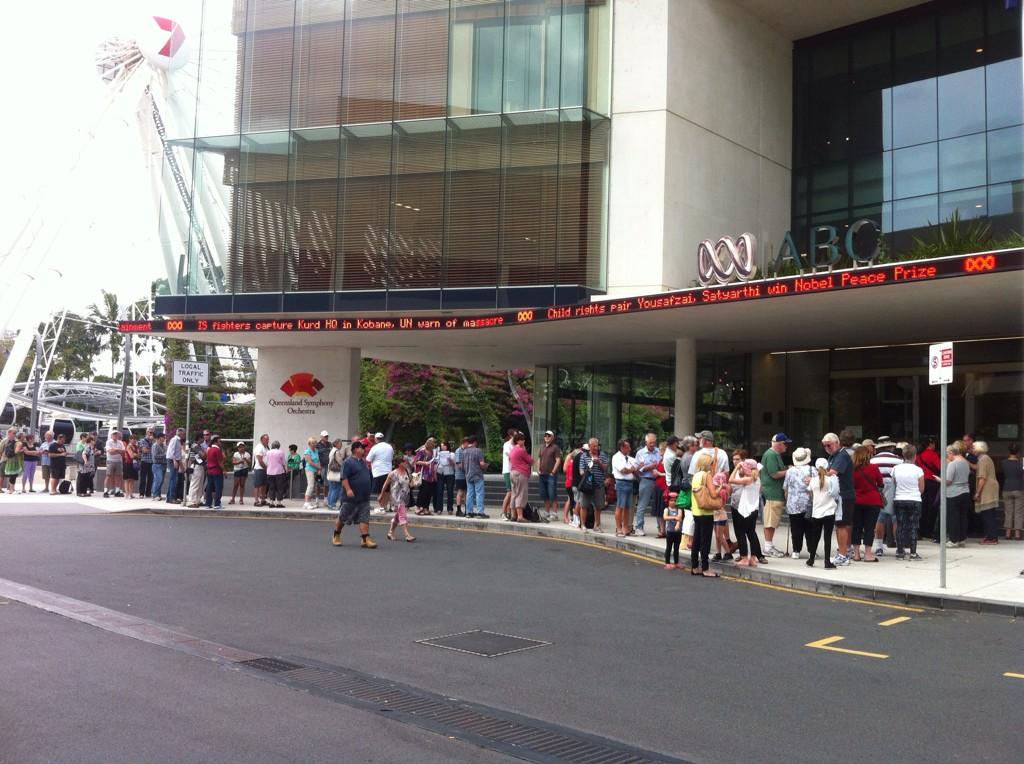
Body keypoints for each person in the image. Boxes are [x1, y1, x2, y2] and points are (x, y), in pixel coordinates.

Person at [331, 440, 377, 549]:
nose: (364, 449)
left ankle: (365, 538)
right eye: (362, 448)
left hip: (363, 497)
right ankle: (336, 534)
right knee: (343, 517)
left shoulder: (363, 462)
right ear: (356, 449)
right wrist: (348, 489)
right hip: (351, 497)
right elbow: (344, 477)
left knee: (364, 518)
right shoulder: (348, 462)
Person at [822, 432, 854, 566]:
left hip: (843, 495)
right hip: (839, 495)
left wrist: (818, 474)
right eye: (824, 446)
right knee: (840, 524)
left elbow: (832, 473)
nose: (827, 448)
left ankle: (843, 555)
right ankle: (843, 552)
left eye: (829, 445)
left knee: (841, 525)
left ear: (837, 443)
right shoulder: (834, 456)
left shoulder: (841, 455)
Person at [691, 453, 724, 576]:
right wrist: (720, 487)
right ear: (707, 464)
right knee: (705, 541)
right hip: (706, 511)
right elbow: (713, 494)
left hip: (696, 511)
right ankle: (705, 569)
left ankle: (695, 566)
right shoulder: (707, 475)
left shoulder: (696, 475)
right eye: (711, 463)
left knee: (696, 540)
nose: (713, 465)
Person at [891, 444, 925, 560]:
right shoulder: (918, 470)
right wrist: (916, 493)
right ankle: (913, 553)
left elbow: (895, 483)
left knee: (900, 525)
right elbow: (921, 488)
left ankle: (900, 551)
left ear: (903, 455)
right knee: (913, 526)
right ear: (915, 456)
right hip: (914, 499)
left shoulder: (896, 468)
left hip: (899, 498)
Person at [870, 438, 902, 555]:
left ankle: (879, 547)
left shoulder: (873, 460)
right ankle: (899, 547)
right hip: (894, 490)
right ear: (890, 447)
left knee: (880, 519)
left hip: (879, 490)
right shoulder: (899, 460)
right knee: (896, 519)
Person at [851, 445, 884, 562]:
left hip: (856, 500)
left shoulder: (851, 469)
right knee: (869, 527)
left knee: (856, 527)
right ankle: (868, 554)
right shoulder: (874, 468)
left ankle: (856, 554)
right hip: (872, 501)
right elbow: (881, 483)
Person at [760, 433, 790, 558]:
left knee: (772, 521)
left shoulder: (773, 454)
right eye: (785, 444)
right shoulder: (771, 455)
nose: (787, 446)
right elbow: (774, 474)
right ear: (779, 444)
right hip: (772, 493)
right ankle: (768, 547)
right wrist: (789, 471)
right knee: (770, 521)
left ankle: (769, 546)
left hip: (774, 493)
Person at [805, 458, 839, 569]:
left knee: (815, 537)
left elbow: (810, 494)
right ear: (827, 467)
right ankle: (827, 561)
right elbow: (836, 494)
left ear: (816, 468)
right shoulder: (831, 480)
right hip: (829, 511)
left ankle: (811, 559)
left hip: (817, 512)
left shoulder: (813, 481)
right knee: (827, 538)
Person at [728, 457, 761, 568]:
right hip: (754, 509)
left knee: (740, 532)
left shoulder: (748, 479)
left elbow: (731, 480)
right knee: (751, 533)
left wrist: (736, 468)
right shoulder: (757, 479)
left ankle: (744, 557)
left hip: (744, 509)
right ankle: (753, 558)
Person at [783, 446, 814, 559]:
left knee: (796, 528)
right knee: (810, 528)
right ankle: (811, 550)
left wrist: (787, 500)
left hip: (793, 503)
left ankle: (796, 550)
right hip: (809, 503)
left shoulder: (790, 471)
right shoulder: (812, 470)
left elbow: (785, 488)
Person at [633, 432, 661, 537]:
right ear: (646, 442)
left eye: (654, 442)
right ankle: (639, 527)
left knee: (659, 504)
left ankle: (661, 528)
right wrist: (650, 467)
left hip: (658, 480)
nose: (653, 445)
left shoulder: (659, 451)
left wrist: (657, 466)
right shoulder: (640, 453)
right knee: (642, 505)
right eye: (650, 443)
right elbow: (637, 470)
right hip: (646, 480)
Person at [578, 438, 608, 533]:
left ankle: (597, 525)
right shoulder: (584, 456)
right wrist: (588, 469)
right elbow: (581, 470)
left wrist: (599, 462)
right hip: (587, 484)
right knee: (584, 505)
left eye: (597, 446)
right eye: (594, 446)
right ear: (589, 446)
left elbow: (605, 469)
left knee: (598, 506)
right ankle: (583, 525)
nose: (596, 448)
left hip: (599, 484)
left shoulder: (602, 455)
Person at [382, 457, 415, 542]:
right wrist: (381, 495)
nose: (406, 463)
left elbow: (410, 484)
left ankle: (390, 532)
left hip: (405, 497)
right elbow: (385, 485)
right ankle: (407, 535)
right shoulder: (393, 473)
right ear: (399, 463)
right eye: (404, 461)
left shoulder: (407, 471)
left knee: (398, 516)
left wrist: (415, 482)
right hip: (396, 498)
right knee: (402, 515)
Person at [973, 441, 1000, 545]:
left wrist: (977, 493)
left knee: (987, 514)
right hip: (990, 487)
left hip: (987, 489)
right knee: (989, 514)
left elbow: (982, 478)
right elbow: (977, 468)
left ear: (979, 449)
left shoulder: (983, 459)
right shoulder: (984, 458)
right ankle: (991, 536)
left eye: (974, 448)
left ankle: (991, 538)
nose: (972, 450)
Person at [916, 436, 942, 540]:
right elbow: (940, 467)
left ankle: (921, 530)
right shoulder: (934, 455)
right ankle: (929, 531)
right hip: (932, 482)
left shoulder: (919, 456)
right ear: (931, 444)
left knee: (922, 507)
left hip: (921, 481)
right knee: (932, 507)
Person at [945, 444, 971, 547]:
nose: (947, 456)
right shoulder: (965, 463)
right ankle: (962, 539)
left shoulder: (952, 464)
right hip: (965, 491)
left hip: (954, 493)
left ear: (951, 453)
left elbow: (948, 480)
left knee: (953, 517)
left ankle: (953, 539)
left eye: (947, 454)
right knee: (963, 516)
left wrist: (940, 480)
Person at [611, 439, 638, 537]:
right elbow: (623, 470)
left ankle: (625, 528)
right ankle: (618, 528)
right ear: (622, 448)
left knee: (627, 507)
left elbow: (637, 467)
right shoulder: (616, 457)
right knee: (620, 506)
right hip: (621, 483)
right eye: (627, 447)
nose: (630, 449)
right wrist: (632, 469)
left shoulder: (629, 458)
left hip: (630, 483)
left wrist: (632, 469)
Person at [366, 433, 395, 515]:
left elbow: (368, 459)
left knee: (380, 490)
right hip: (388, 471)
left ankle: (382, 508)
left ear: (376, 439)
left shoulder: (375, 447)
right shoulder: (389, 447)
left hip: (378, 471)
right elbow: (392, 457)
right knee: (387, 490)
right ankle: (386, 506)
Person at [537, 430, 562, 522]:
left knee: (552, 494)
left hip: (551, 475)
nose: (547, 437)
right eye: (546, 436)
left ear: (552, 437)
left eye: (549, 436)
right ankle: (547, 512)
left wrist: (553, 471)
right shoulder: (542, 447)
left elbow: (558, 460)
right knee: (544, 494)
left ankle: (554, 513)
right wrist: (538, 469)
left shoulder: (555, 447)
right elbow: (539, 459)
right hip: (542, 474)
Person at [461, 435, 488, 518]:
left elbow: (462, 465)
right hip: (477, 475)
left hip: (468, 475)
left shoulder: (464, 451)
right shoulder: (478, 451)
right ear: (475, 442)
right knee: (479, 493)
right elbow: (481, 464)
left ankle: (469, 512)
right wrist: (486, 465)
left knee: (469, 494)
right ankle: (480, 512)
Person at [508, 432, 532, 522]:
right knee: (521, 494)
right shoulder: (521, 450)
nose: (524, 441)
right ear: (518, 441)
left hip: (513, 473)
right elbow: (530, 461)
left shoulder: (513, 450)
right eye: (522, 440)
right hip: (521, 473)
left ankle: (513, 515)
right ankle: (520, 516)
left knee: (514, 494)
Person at [1003, 443, 1023, 541]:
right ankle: (1017, 534)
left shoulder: (1004, 462)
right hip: (1019, 487)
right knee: (1018, 512)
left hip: (1007, 487)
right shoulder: (1022, 462)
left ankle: (1008, 533)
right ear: (1018, 452)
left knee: (1008, 511)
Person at [563, 442, 582, 526]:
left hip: (573, 481)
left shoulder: (578, 457)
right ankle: (570, 517)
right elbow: (564, 469)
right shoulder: (570, 457)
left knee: (571, 500)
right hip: (571, 481)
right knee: (572, 500)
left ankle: (569, 517)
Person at [435, 439, 456, 515]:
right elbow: (436, 463)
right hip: (440, 473)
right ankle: (439, 508)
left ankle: (450, 508)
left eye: (443, 445)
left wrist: (449, 460)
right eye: (441, 446)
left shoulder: (452, 454)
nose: (442, 447)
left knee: (450, 491)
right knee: (440, 491)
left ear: (447, 446)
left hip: (450, 474)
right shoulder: (439, 454)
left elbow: (454, 465)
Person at [263, 440, 286, 508]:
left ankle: (271, 502)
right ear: (278, 446)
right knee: (279, 487)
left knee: (271, 487)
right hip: (279, 472)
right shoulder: (281, 452)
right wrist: (285, 469)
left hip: (270, 472)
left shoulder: (268, 452)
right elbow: (284, 463)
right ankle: (279, 503)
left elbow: (265, 462)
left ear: (272, 446)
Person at [663, 495, 684, 570]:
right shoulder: (666, 509)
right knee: (669, 547)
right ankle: (667, 562)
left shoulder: (679, 509)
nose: (673, 502)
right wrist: (674, 517)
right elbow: (665, 517)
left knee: (676, 548)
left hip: (678, 532)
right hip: (670, 531)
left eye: (675, 501)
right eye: (671, 500)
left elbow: (679, 517)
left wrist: (678, 524)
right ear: (668, 501)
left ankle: (676, 562)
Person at [165, 428, 185, 504]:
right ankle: (171, 498)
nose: (184, 435)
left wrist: (180, 464)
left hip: (175, 460)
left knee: (173, 479)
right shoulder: (175, 440)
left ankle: (169, 497)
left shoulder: (178, 440)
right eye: (183, 434)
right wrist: (174, 461)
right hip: (172, 460)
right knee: (173, 479)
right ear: (180, 433)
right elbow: (171, 451)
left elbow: (177, 453)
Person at [204, 435, 224, 509]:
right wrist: (224, 470)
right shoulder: (217, 450)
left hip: (210, 470)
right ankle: (217, 504)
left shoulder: (209, 449)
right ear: (215, 442)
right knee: (218, 487)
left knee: (209, 487)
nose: (221, 443)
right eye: (219, 441)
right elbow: (220, 462)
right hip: (217, 470)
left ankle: (208, 503)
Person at [324, 438, 345, 510]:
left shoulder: (332, 450)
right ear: (336, 444)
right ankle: (332, 504)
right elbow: (340, 462)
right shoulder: (337, 452)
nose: (341, 445)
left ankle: (329, 503)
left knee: (331, 489)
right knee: (336, 489)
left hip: (331, 473)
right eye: (340, 444)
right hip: (336, 473)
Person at [500, 428, 516, 520]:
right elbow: (510, 456)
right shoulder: (507, 445)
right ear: (511, 436)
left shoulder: (515, 445)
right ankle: (503, 512)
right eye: (515, 435)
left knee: (513, 493)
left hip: (514, 471)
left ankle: (509, 512)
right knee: (509, 492)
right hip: (508, 470)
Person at [104, 430, 125, 498]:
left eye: (117, 434)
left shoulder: (120, 442)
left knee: (118, 476)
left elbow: (123, 451)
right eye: (114, 434)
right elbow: (110, 452)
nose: (115, 436)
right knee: (108, 475)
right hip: (110, 460)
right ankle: (105, 491)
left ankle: (117, 491)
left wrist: (115, 450)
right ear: (111, 435)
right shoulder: (108, 442)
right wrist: (118, 451)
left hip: (119, 461)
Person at [186, 440, 206, 508]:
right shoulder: (195, 446)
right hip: (196, 466)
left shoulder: (198, 446)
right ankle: (191, 501)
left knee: (200, 485)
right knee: (195, 484)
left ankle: (197, 501)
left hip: (200, 465)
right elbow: (203, 456)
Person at [302, 436, 320, 510]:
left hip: (315, 470)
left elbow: (318, 460)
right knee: (310, 486)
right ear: (309, 444)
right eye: (313, 443)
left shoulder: (316, 450)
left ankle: (309, 502)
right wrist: (318, 467)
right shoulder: (307, 451)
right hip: (309, 470)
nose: (314, 444)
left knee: (313, 486)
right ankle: (306, 503)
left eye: (315, 443)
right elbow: (309, 462)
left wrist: (318, 469)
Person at [252, 433, 269, 507]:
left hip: (265, 469)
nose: (267, 441)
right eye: (266, 439)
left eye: (268, 439)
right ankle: (256, 501)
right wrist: (266, 468)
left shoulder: (266, 448)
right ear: (261, 440)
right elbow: (260, 460)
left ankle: (263, 500)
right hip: (259, 468)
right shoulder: (259, 447)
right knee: (257, 485)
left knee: (264, 485)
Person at [315, 430, 332, 505]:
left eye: (327, 436)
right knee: (318, 483)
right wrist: (318, 467)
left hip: (328, 466)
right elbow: (316, 454)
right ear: (321, 437)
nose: (326, 438)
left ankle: (325, 499)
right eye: (325, 436)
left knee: (326, 483)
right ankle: (317, 499)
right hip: (320, 467)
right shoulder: (317, 445)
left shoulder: (330, 444)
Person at [453, 436, 468, 517]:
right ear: (464, 443)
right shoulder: (459, 451)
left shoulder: (466, 450)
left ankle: (467, 510)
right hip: (460, 475)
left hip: (466, 475)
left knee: (466, 493)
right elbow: (458, 464)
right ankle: (458, 510)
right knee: (460, 492)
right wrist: (467, 467)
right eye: (468, 443)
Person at [138, 429, 154, 499]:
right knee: (143, 478)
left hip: (152, 462)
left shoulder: (153, 441)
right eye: (150, 432)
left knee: (151, 478)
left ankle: (148, 493)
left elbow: (154, 450)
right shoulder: (142, 440)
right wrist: (152, 449)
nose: (151, 433)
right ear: (147, 432)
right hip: (144, 461)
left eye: (152, 432)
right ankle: (141, 493)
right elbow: (144, 450)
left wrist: (149, 448)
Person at [151, 432, 167, 500]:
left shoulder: (164, 445)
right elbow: (155, 456)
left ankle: (158, 494)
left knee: (161, 480)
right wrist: (164, 455)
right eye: (163, 437)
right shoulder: (155, 445)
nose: (164, 439)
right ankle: (155, 495)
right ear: (159, 438)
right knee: (158, 480)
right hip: (157, 465)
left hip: (163, 464)